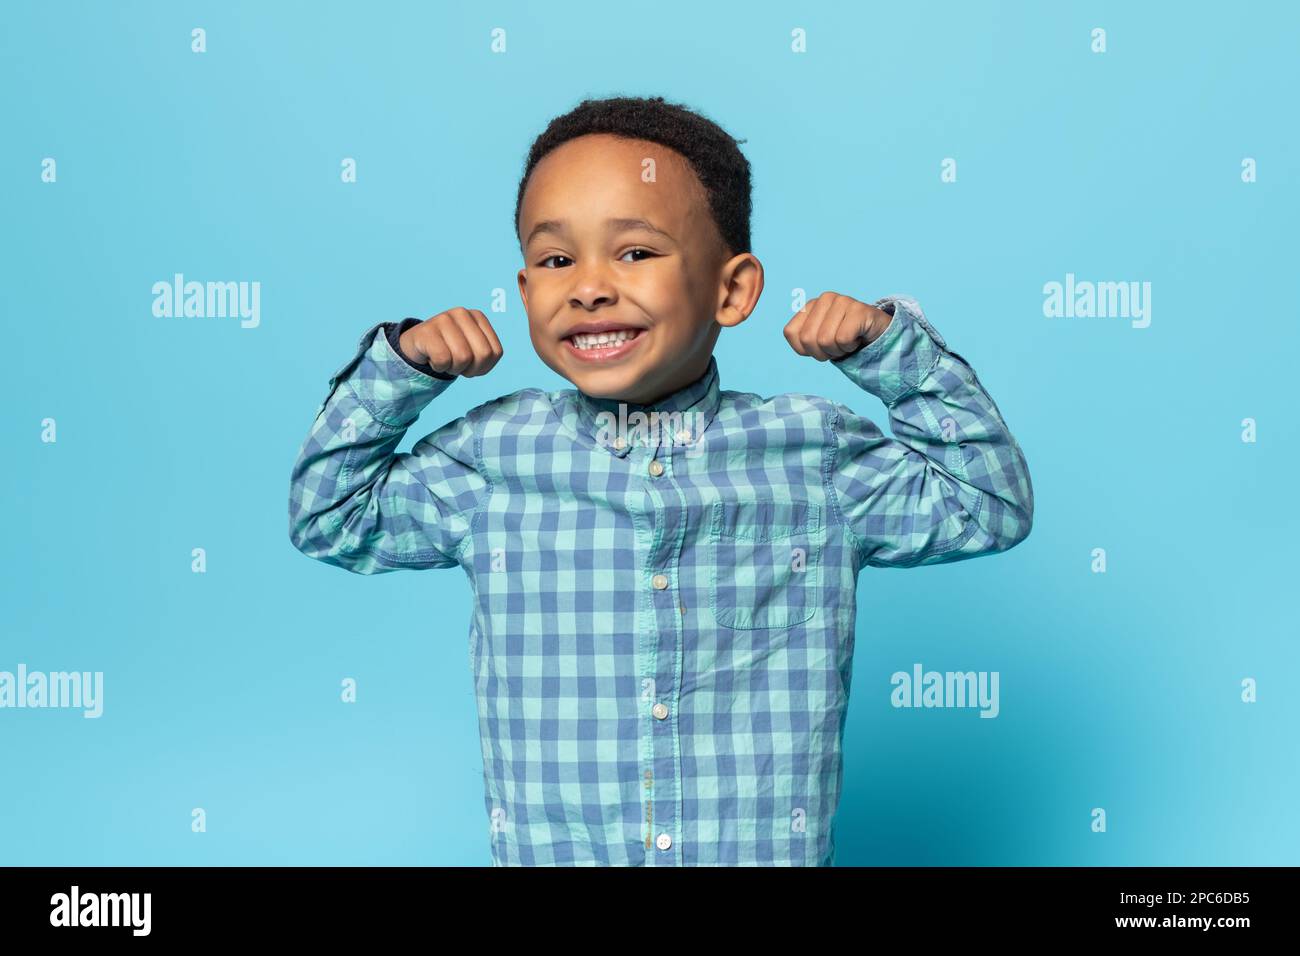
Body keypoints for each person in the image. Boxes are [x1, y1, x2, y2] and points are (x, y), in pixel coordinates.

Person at [287, 94, 1034, 866]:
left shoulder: (811, 452)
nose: (589, 287)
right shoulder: (492, 457)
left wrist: (891, 356)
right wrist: (398, 372)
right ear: (524, 291)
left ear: (733, 290)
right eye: (555, 260)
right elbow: (329, 518)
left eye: (635, 252)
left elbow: (989, 504)